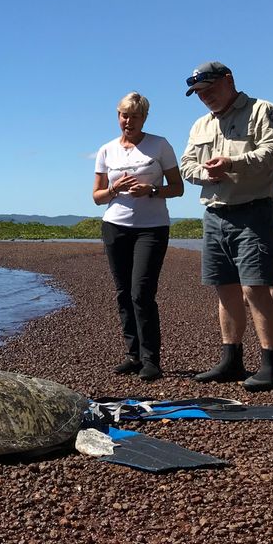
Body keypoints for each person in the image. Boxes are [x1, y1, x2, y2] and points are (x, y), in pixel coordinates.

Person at [179, 61, 273, 392]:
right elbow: (186, 165)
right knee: (225, 288)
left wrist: (232, 163)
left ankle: (271, 367)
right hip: (215, 215)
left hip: (254, 211)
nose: (205, 96)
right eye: (199, 93)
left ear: (229, 80)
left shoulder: (262, 111)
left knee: (255, 288)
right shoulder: (200, 125)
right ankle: (231, 360)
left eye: (210, 89)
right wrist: (205, 173)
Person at [93, 92, 184, 381]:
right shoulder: (107, 150)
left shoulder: (160, 145)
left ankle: (151, 360)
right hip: (115, 226)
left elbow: (178, 187)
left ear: (144, 117)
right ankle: (132, 356)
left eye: (134, 116)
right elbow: (97, 197)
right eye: (123, 115)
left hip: (152, 227)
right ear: (118, 117)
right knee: (123, 294)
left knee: (141, 293)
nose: (127, 121)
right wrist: (115, 189)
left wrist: (151, 190)